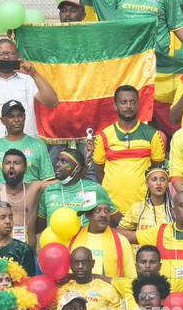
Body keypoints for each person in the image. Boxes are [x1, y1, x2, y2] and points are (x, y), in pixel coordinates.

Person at [0, 37, 59, 149]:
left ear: (18, 57)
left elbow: (52, 102)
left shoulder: (28, 79)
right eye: (1, 54)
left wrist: (34, 74)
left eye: (11, 54)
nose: (6, 57)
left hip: (27, 147)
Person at [93, 85, 166, 218]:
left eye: (132, 102)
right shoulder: (103, 136)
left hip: (144, 207)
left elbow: (157, 171)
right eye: (124, 102)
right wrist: (111, 206)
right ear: (115, 106)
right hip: (112, 209)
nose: (128, 106)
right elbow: (99, 172)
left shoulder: (153, 135)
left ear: (138, 104)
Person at [0, 100, 55, 192]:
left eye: (20, 115)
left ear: (24, 117)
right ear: (3, 120)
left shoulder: (39, 145)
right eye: (11, 116)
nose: (16, 120)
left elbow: (48, 182)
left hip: (31, 203)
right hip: (0, 203)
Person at [39, 148, 113, 230]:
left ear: (77, 168)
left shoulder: (94, 189)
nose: (57, 164)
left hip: (84, 241)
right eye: (58, 160)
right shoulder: (49, 191)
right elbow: (40, 224)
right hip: (55, 241)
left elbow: (114, 218)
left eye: (64, 161)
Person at [58, 246, 125, 310]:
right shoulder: (63, 290)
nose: (80, 266)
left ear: (92, 263)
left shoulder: (107, 289)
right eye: (76, 262)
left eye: (84, 262)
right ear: (71, 265)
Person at [118, 168, 172, 244]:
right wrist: (140, 238)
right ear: (147, 183)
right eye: (154, 179)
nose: (159, 183)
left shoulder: (174, 209)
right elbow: (119, 232)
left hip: (166, 254)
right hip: (142, 253)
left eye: (163, 179)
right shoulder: (138, 208)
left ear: (167, 184)